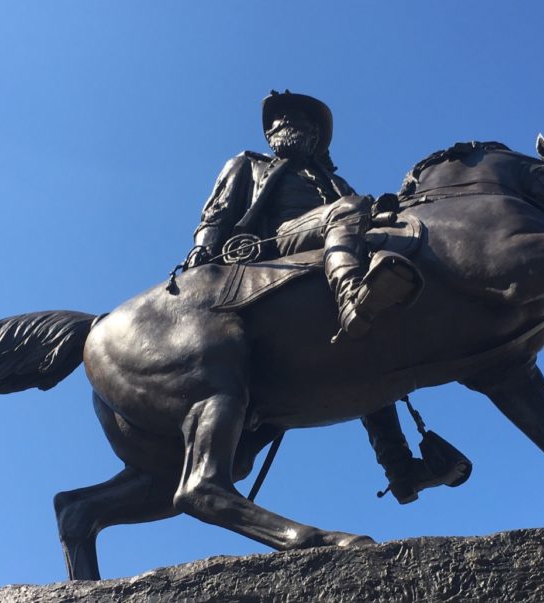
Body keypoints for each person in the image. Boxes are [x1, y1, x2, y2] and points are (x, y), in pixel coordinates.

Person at [185, 90, 443, 503]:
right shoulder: (249, 165)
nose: (284, 126)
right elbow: (216, 212)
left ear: (314, 138)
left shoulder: (333, 181)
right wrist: (201, 251)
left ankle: (402, 470)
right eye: (278, 122)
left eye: (298, 122)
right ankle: (350, 298)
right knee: (346, 210)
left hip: (332, 248)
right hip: (275, 246)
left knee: (368, 357)